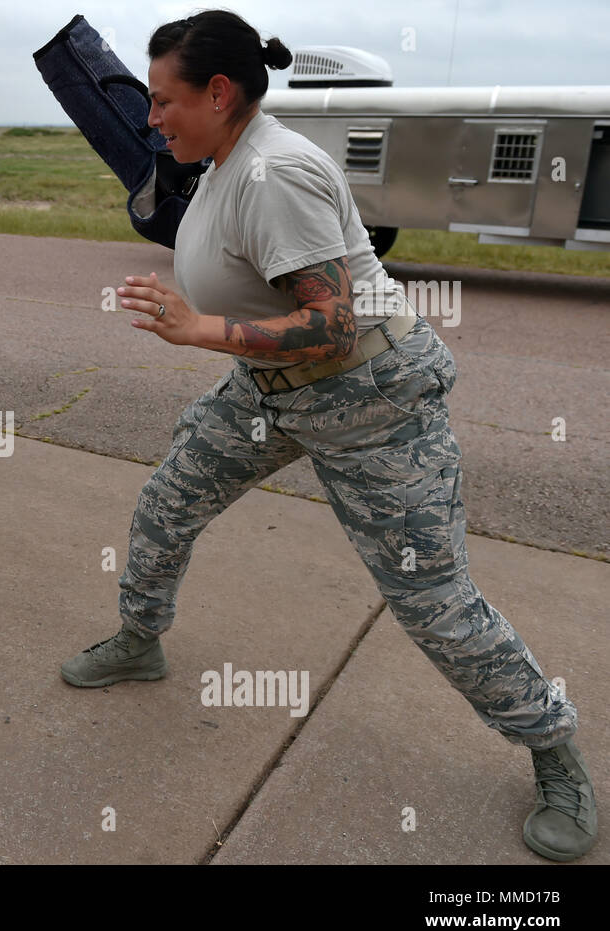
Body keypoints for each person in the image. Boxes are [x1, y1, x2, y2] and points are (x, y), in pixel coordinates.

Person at [58, 11, 596, 862]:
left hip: (370, 401)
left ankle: (554, 748)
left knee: (435, 604)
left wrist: (197, 329)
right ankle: (139, 638)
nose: (153, 118)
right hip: (270, 389)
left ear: (220, 92)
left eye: (163, 101)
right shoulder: (221, 157)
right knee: (169, 498)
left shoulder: (276, 173)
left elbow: (333, 326)